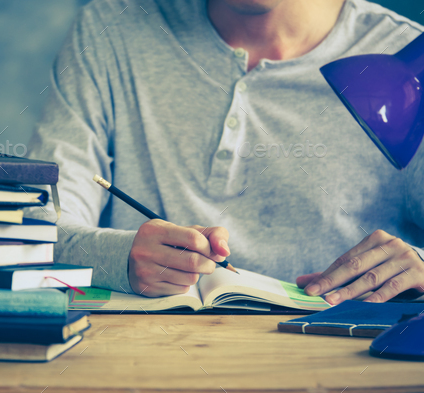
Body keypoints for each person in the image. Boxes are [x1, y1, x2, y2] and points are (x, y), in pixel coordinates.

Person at [28, 0, 424, 302]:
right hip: (142, 357)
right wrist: (118, 257)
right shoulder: (111, 28)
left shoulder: (408, 59)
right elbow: (35, 221)